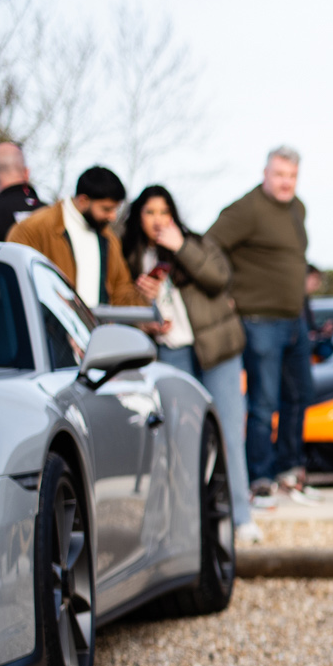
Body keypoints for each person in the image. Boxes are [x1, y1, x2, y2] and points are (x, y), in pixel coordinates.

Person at [120, 185, 261, 545]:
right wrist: (144, 315)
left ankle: (242, 518)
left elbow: (219, 279)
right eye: (150, 213)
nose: (158, 220)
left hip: (217, 350)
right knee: (179, 438)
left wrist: (179, 246)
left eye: (164, 212)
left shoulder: (195, 242)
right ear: (138, 216)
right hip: (172, 353)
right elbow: (124, 305)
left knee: (230, 433)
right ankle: (189, 523)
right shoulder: (130, 254)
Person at [207, 146, 314, 506]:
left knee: (299, 395)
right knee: (263, 401)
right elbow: (211, 245)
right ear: (265, 173)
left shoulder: (297, 208)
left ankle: (290, 471)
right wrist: (227, 293)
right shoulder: (246, 209)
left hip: (294, 318)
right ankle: (260, 479)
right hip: (259, 320)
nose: (286, 182)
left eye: (292, 176)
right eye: (280, 175)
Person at [6, 166, 137, 308]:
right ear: (83, 201)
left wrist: (144, 306)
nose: (113, 216)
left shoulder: (109, 238)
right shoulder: (33, 228)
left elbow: (121, 291)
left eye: (115, 209)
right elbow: (14, 284)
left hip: (100, 328)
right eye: (106, 209)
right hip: (50, 327)